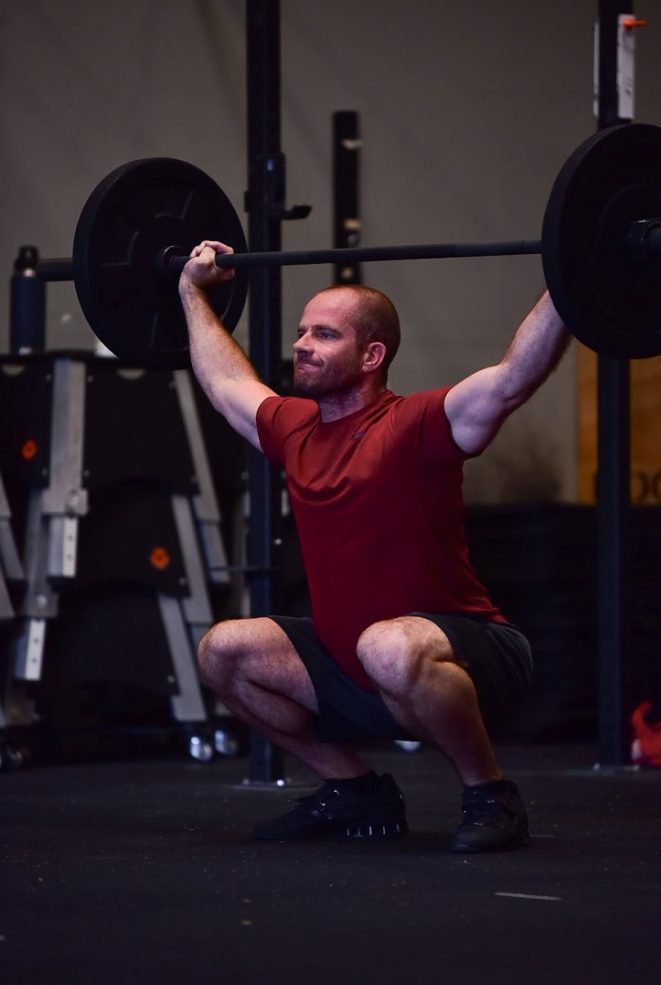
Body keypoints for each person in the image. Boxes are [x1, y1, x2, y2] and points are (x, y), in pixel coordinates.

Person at [179, 240, 571, 853]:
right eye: (302, 331)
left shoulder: (419, 423)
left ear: (372, 354)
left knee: (386, 643)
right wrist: (191, 292)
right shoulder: (295, 429)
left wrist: (572, 278)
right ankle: (356, 792)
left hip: (471, 653)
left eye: (325, 334)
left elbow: (512, 378)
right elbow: (227, 380)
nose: (302, 343)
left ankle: (490, 794)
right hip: (357, 667)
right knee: (224, 649)